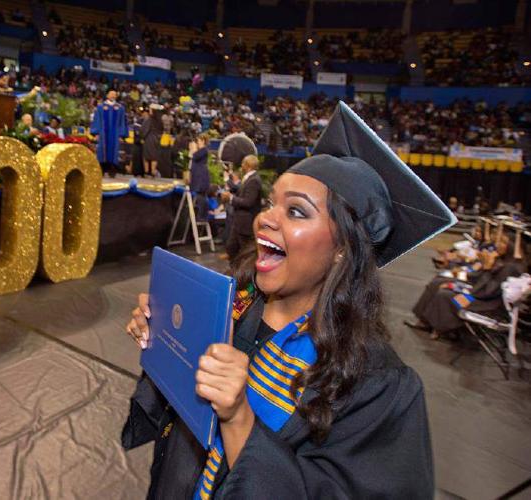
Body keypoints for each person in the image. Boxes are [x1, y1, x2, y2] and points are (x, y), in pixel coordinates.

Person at [123, 102, 454, 498]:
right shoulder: (232, 305)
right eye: (271, 203)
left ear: (343, 250)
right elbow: (177, 414)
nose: (266, 218)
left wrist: (239, 418)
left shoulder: (377, 385)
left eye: (296, 211)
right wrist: (161, 337)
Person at [407, 229, 526, 340]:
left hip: (485, 303)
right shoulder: (504, 261)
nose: (498, 244)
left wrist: (485, 270)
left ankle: (441, 329)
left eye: (503, 242)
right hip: (478, 293)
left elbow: (488, 291)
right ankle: (425, 321)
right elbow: (479, 281)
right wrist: (462, 282)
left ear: (512, 246)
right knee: (438, 283)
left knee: (445, 295)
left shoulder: (511, 268)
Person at [220, 155, 262, 261]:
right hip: (239, 219)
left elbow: (248, 202)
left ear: (248, 165)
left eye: (243, 163)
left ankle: (244, 270)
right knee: (232, 244)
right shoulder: (249, 178)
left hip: (246, 221)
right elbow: (239, 189)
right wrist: (227, 180)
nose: (241, 166)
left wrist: (231, 198)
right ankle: (233, 261)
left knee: (245, 249)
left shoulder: (254, 180)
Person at [90, 89, 128, 178]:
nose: (113, 96)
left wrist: (121, 135)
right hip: (103, 133)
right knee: (102, 151)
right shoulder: (100, 107)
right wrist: (96, 133)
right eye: (111, 94)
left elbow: (122, 122)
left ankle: (112, 170)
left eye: (114, 94)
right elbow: (97, 120)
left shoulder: (120, 108)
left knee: (114, 152)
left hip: (115, 134)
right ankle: (102, 170)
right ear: (107, 95)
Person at [189, 134, 210, 221]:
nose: (197, 142)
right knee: (197, 195)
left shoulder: (204, 150)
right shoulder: (199, 150)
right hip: (196, 174)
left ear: (203, 141)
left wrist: (193, 149)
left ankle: (201, 216)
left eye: (198, 140)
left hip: (201, 175)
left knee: (200, 194)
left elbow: (195, 156)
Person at [141, 103, 163, 177]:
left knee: (146, 156)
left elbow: (145, 129)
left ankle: (147, 172)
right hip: (157, 139)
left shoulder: (149, 119)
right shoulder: (160, 120)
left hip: (149, 138)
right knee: (154, 156)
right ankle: (153, 171)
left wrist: (142, 137)